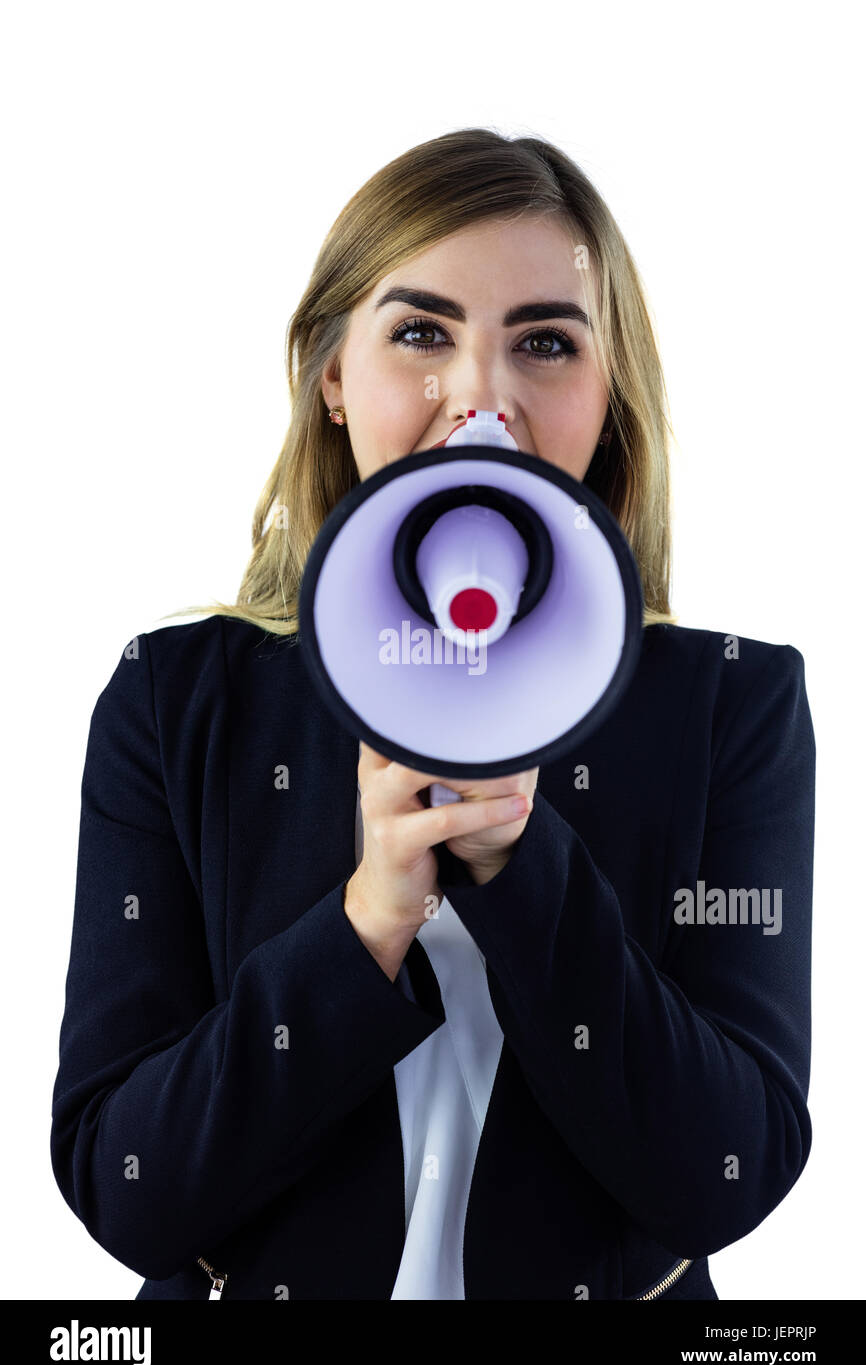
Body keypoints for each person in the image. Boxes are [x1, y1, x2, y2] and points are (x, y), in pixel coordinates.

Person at [50, 127, 815, 1300]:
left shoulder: (728, 707)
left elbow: (723, 1175)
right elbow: (128, 1186)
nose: (481, 403)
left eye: (545, 344)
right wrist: (358, 933)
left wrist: (524, 877)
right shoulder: (174, 699)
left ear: (609, 399)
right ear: (331, 377)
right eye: (419, 333)